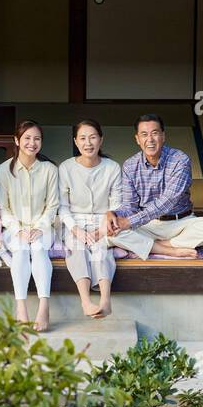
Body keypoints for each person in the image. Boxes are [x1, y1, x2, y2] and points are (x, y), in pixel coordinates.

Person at [106, 113, 203, 259]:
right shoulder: (130, 165)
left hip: (181, 223)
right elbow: (130, 207)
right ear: (137, 139)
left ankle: (154, 246)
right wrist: (114, 214)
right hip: (148, 225)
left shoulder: (180, 160)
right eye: (144, 134)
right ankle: (170, 250)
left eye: (155, 133)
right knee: (110, 234)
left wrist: (129, 222)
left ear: (163, 136)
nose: (150, 140)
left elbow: (168, 200)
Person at [0, 120, 59, 332]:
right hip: (14, 229)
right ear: (17, 141)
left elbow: (53, 205)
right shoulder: (4, 171)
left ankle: (44, 306)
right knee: (21, 250)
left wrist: (40, 227)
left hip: (44, 228)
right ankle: (21, 308)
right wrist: (18, 229)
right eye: (27, 138)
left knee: (39, 248)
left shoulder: (50, 169)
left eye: (37, 139)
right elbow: (3, 208)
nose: (32, 143)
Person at [58, 119, 121, 318]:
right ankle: (86, 302)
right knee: (78, 248)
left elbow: (116, 204)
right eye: (83, 138)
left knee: (102, 248)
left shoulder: (112, 167)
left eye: (93, 137)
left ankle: (105, 301)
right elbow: (62, 207)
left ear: (101, 140)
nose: (88, 143)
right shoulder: (66, 168)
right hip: (74, 222)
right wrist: (76, 230)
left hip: (104, 221)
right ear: (76, 142)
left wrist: (102, 230)